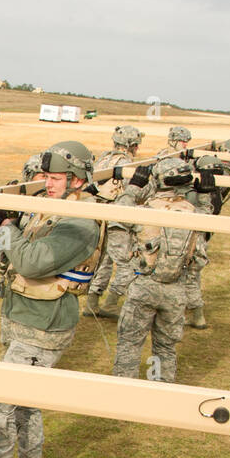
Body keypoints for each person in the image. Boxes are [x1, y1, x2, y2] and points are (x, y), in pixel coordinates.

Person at [0, 143, 101, 458]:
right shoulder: (52, 209)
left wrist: (7, 225)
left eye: (55, 179)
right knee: (25, 403)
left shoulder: (79, 223)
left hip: (43, 329)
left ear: (77, 180)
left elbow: (32, 263)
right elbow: (13, 250)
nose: (47, 184)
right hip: (22, 319)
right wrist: (5, 222)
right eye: (46, 177)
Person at [111, 157, 202, 383]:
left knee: (130, 345)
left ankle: (124, 392)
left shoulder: (145, 211)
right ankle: (161, 389)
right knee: (166, 348)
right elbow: (199, 259)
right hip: (176, 289)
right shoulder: (197, 215)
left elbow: (116, 218)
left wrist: (132, 189)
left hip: (143, 285)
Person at [84, 125, 143, 318]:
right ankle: (110, 303)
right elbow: (133, 193)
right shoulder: (125, 163)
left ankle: (92, 303)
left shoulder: (104, 158)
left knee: (102, 260)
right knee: (125, 262)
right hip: (115, 218)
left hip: (97, 214)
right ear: (131, 144)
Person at [183, 151, 230, 329]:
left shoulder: (200, 195)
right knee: (192, 278)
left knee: (189, 278)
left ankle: (197, 316)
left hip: (193, 240)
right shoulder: (215, 192)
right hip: (200, 239)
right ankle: (192, 314)